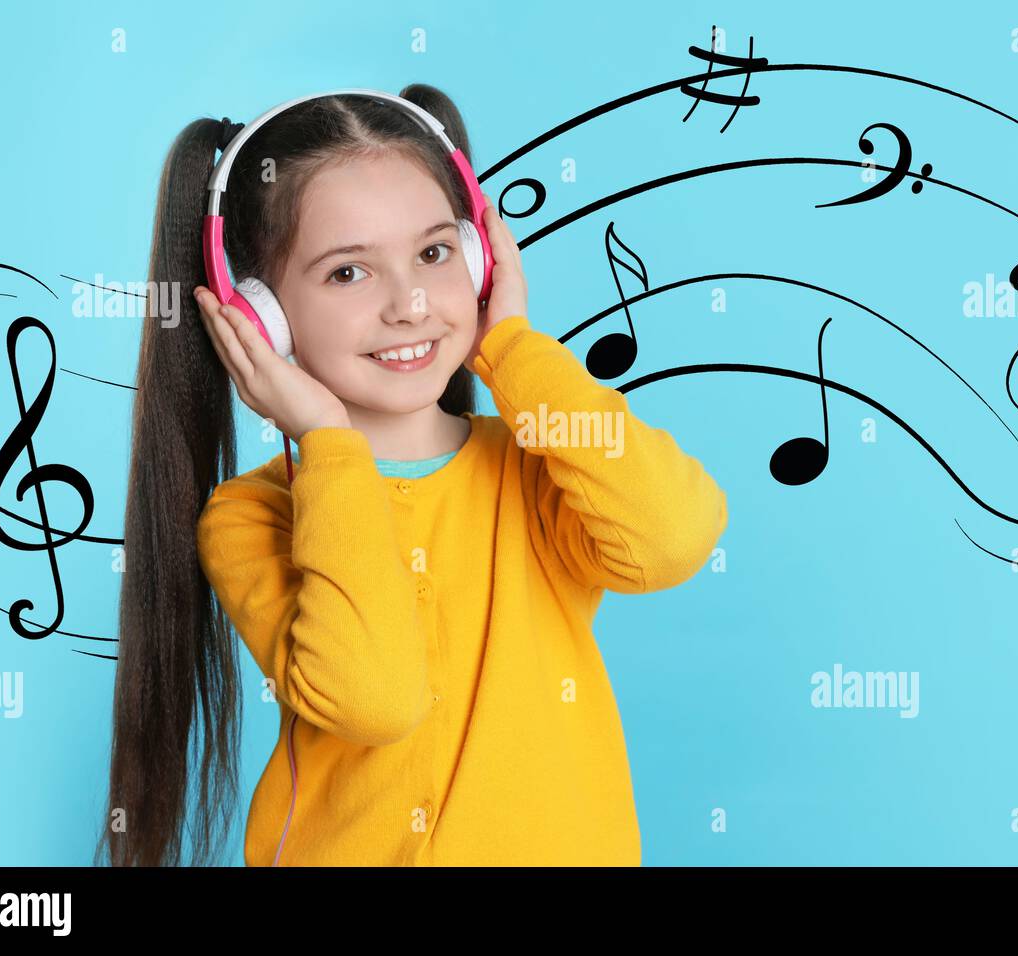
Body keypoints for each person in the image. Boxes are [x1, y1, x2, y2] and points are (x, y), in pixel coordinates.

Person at [98, 84, 727, 867]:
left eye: (434, 254)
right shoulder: (251, 517)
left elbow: (673, 536)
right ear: (260, 315)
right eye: (348, 273)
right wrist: (326, 442)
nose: (411, 304)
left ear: (478, 257)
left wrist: (514, 350)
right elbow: (376, 696)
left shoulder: (544, 468)